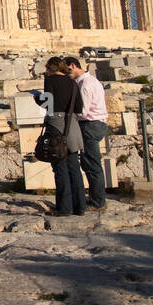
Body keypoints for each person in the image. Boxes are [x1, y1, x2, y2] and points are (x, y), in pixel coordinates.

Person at [42, 57, 86, 216]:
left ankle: (64, 208)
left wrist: (36, 98)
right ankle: (80, 207)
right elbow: (80, 107)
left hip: (56, 126)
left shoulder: (51, 80)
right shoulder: (73, 83)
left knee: (60, 168)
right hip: (72, 125)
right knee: (74, 167)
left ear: (51, 68)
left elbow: (48, 104)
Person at [65, 56, 109, 210]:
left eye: (67, 70)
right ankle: (97, 198)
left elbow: (83, 111)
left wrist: (67, 113)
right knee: (91, 163)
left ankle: (98, 202)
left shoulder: (85, 85)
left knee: (91, 164)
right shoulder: (91, 81)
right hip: (97, 123)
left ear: (73, 65)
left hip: (90, 125)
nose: (66, 73)